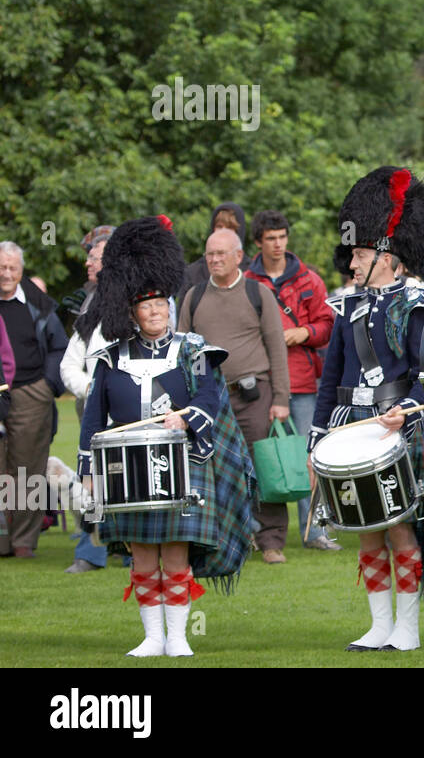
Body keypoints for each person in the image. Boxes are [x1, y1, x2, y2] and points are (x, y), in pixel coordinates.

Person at [312, 166, 424, 652]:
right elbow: (330, 379)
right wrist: (318, 436)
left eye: (361, 253)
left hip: (398, 426)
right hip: (350, 425)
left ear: (387, 256)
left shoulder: (415, 304)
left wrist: (407, 409)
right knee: (366, 532)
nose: (353, 262)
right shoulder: (345, 306)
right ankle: (378, 625)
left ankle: (406, 630)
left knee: (400, 529)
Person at [77, 216, 256, 656]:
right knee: (141, 556)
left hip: (182, 464)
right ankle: (151, 637)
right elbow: (92, 417)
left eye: (161, 305)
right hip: (125, 470)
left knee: (175, 555)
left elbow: (211, 396)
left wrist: (187, 417)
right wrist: (87, 473)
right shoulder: (110, 358)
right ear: (132, 311)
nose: (155, 312)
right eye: (146, 306)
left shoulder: (192, 349)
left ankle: (177, 637)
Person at [178, 227, 292, 562]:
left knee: (264, 467)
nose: (213, 260)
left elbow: (276, 348)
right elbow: (182, 350)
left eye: (220, 254)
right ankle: (225, 536)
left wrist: (281, 399)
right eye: (209, 254)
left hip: (255, 394)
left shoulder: (259, 293)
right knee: (213, 466)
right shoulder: (194, 296)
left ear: (238, 256)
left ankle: (270, 540)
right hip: (209, 398)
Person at [244, 209, 339, 552]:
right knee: (258, 459)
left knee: (309, 457)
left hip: (301, 381)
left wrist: (304, 332)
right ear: (258, 242)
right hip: (258, 381)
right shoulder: (247, 283)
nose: (278, 244)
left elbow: (329, 325)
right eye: (270, 238)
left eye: (282, 236)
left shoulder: (309, 279)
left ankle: (314, 531)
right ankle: (257, 531)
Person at [0, 240, 68, 559]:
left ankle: (23, 542)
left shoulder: (39, 305)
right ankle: (2, 540)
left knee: (28, 470)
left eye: (13, 267)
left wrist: (48, 385)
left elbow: (59, 346)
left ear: (22, 271)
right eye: (1, 267)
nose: (6, 273)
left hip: (30, 392)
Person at [60, 226, 116, 573]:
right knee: (90, 478)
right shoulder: (89, 304)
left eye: (93, 257)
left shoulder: (140, 303)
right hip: (94, 414)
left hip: (133, 415)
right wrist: (92, 390)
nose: (87, 263)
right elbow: (69, 363)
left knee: (127, 478)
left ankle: (129, 550)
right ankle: (89, 551)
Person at [179, 203, 252, 301]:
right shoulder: (194, 273)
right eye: (219, 226)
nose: (223, 232)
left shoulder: (252, 271)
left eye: (230, 228)